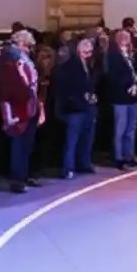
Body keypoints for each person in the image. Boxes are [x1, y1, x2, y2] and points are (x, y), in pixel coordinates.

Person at [0, 33, 42, 194]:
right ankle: (17, 179)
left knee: (26, 144)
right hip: (17, 105)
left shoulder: (22, 59)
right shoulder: (9, 60)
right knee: (18, 143)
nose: (29, 48)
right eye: (27, 45)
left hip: (29, 103)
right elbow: (11, 87)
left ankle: (24, 175)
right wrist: (27, 95)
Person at [55, 39, 98, 179]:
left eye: (90, 52)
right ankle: (68, 168)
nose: (88, 54)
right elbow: (66, 88)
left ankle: (84, 163)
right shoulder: (69, 66)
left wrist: (92, 96)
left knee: (87, 137)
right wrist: (79, 98)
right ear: (79, 50)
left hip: (88, 106)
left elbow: (90, 84)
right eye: (86, 52)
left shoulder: (89, 65)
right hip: (74, 108)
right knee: (72, 140)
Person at [106, 30, 137, 170]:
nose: (125, 39)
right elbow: (113, 76)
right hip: (120, 97)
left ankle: (130, 156)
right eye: (123, 37)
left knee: (131, 129)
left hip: (134, 97)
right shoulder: (113, 56)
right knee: (120, 129)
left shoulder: (132, 55)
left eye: (127, 37)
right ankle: (118, 157)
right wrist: (129, 85)